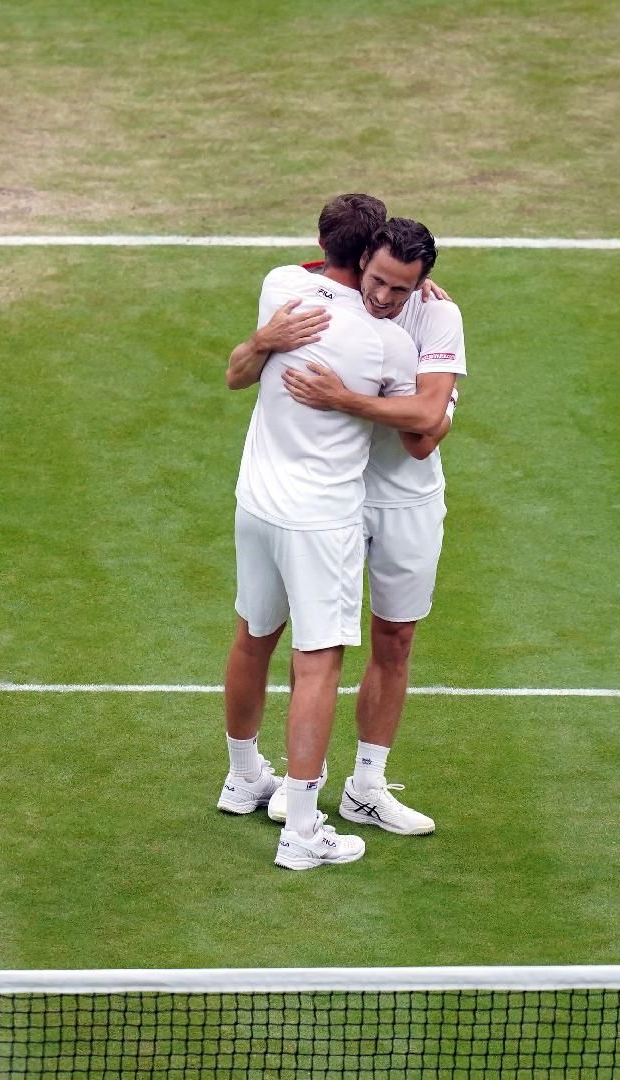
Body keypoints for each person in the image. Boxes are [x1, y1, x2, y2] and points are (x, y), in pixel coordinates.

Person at [215, 198, 432, 871]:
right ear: (368, 255)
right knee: (318, 665)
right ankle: (303, 832)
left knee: (253, 637)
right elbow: (421, 430)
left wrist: (267, 340)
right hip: (321, 521)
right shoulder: (389, 343)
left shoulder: (280, 288)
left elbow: (239, 369)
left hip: (256, 505)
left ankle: (242, 778)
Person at [267, 244, 465, 837]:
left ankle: (367, 789)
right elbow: (421, 416)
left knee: (395, 640)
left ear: (423, 283)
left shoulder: (439, 316)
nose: (382, 297)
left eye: (400, 288)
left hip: (409, 501)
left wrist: (344, 399)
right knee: (317, 642)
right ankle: (303, 779)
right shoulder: (329, 298)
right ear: (362, 266)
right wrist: (412, 404)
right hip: (336, 498)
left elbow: (422, 439)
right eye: (376, 280)